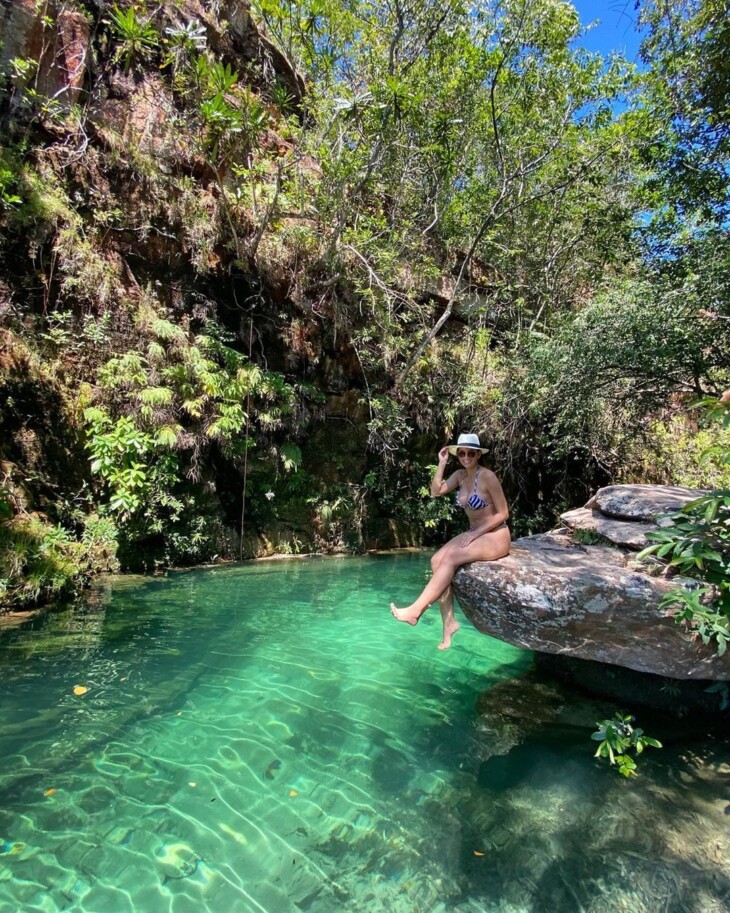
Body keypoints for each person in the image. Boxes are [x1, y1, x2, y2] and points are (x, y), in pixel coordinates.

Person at [390, 433, 510, 649]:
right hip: (476, 532)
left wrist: (475, 534)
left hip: (495, 535)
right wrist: (441, 463)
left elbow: (503, 514)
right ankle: (449, 624)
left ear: (478, 455)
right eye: (461, 453)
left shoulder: (488, 477)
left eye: (470, 453)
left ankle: (416, 610)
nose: (466, 457)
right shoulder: (460, 475)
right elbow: (436, 492)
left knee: (452, 557)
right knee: (436, 561)